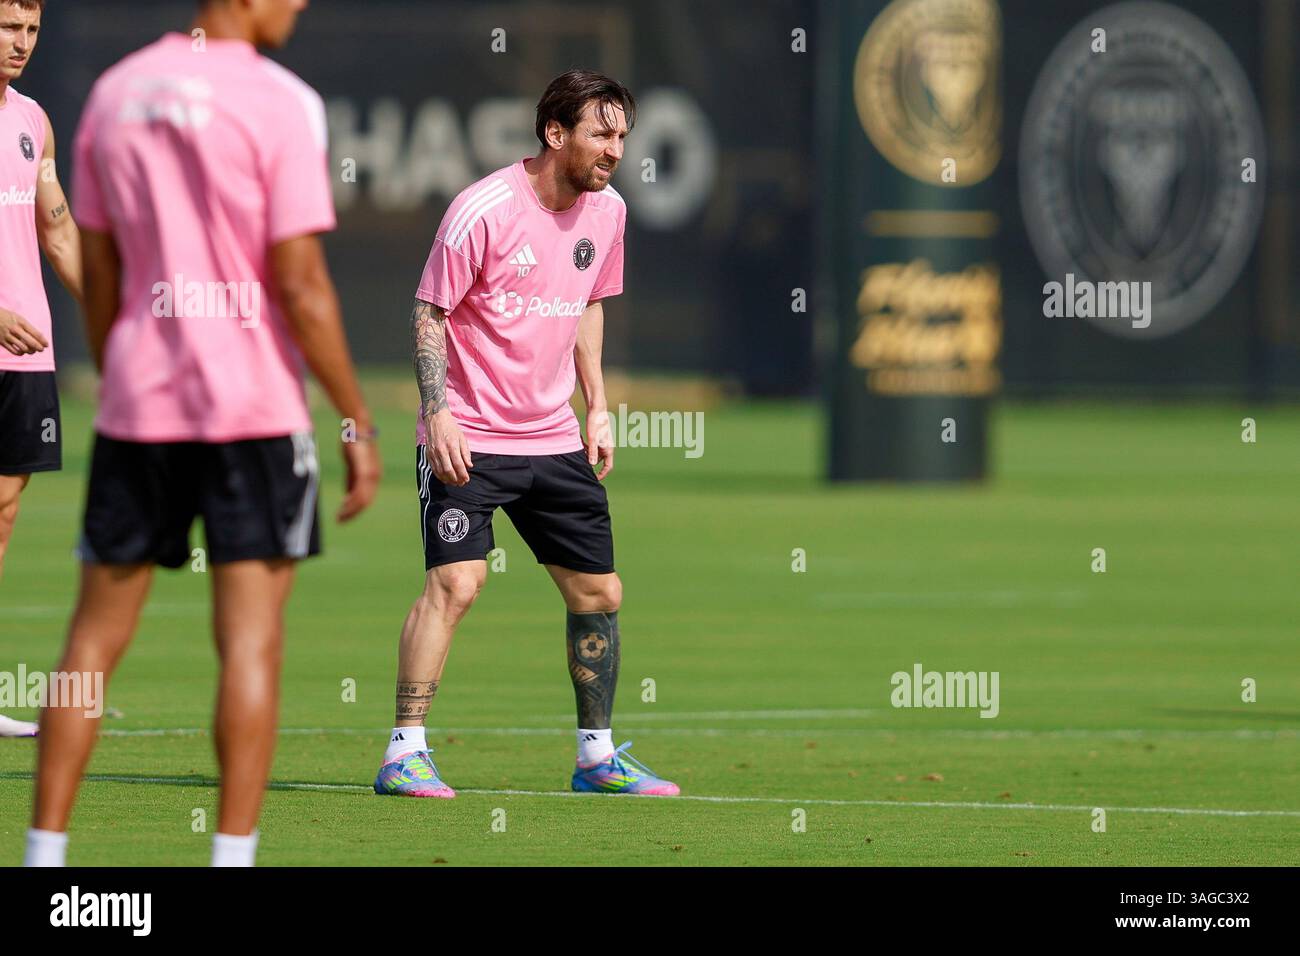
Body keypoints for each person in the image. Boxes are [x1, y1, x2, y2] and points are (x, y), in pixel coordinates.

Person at [26, 0, 381, 867]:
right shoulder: (283, 100)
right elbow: (300, 285)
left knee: (89, 642)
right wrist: (355, 416)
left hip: (139, 412)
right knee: (250, 644)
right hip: (253, 416)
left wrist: (123, 373)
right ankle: (230, 860)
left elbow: (100, 269)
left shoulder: (115, 91)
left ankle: (44, 860)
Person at [374, 69, 678, 799]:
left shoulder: (609, 214)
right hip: (469, 435)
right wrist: (437, 413)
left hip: (552, 438)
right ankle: (403, 753)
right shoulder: (481, 209)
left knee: (599, 592)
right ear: (555, 133)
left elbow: (589, 305)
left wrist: (597, 404)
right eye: (602, 134)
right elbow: (428, 314)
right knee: (457, 583)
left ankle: (597, 758)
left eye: (622, 137)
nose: (615, 151)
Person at [0, 0, 83, 738]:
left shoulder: (33, 121)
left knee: (4, 509)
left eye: (29, 30)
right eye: (6, 27)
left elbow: (55, 228)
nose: (20, 42)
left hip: (27, 351)